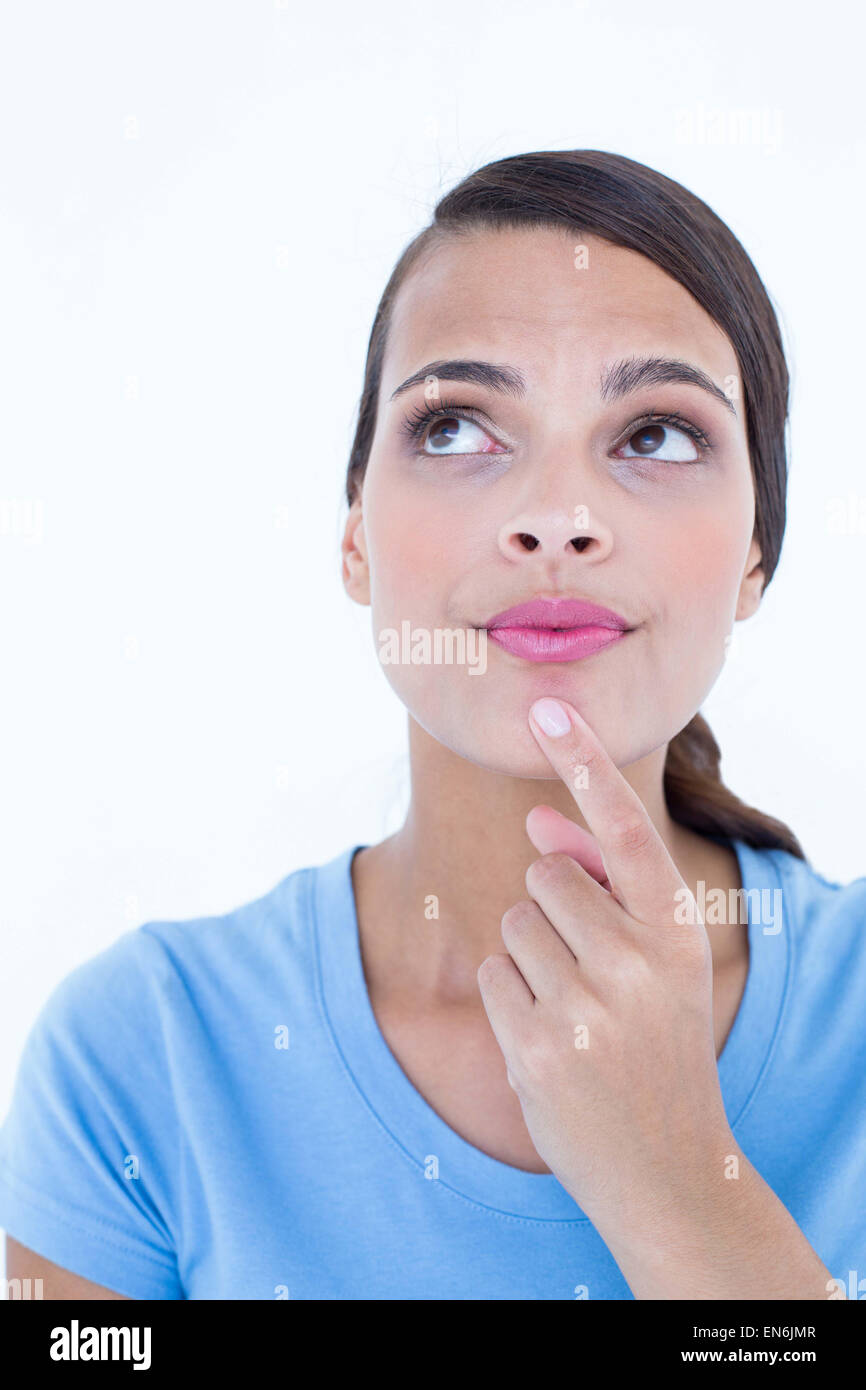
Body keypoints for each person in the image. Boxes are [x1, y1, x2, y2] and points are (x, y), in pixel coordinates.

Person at [3, 149, 865, 1301]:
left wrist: (673, 1179)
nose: (557, 520)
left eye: (653, 435)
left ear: (756, 554)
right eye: (456, 427)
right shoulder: (141, 1056)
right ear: (354, 535)